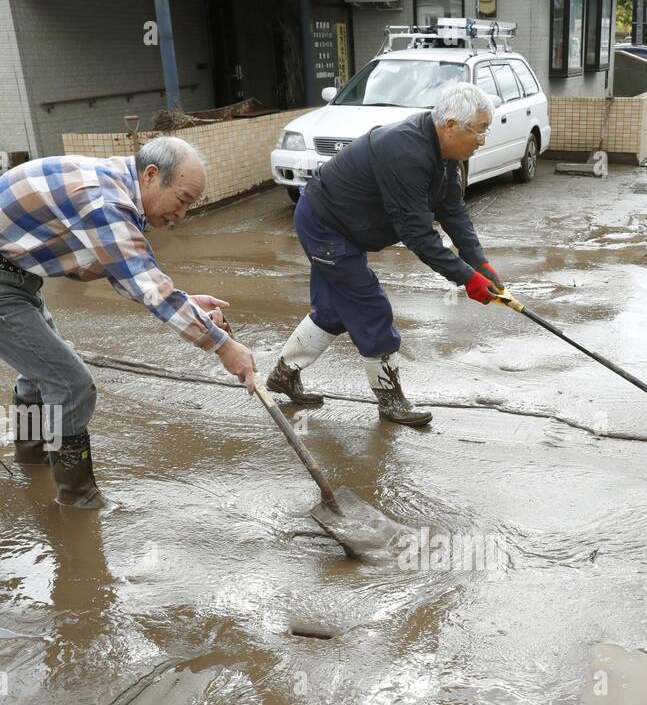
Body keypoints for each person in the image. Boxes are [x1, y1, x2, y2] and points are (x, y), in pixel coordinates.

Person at [0, 136, 256, 507]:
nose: (181, 214)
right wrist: (223, 345)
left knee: (39, 372)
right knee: (70, 384)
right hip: (5, 281)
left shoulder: (114, 187)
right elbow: (146, 284)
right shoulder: (105, 200)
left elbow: (127, 273)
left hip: (17, 276)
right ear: (151, 175)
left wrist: (184, 301)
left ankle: (32, 459)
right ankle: (76, 497)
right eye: (182, 200)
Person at [267, 82, 505, 428]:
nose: (483, 138)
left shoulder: (446, 156)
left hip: (343, 226)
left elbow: (453, 210)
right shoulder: (405, 151)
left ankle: (283, 374)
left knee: (334, 311)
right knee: (370, 307)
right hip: (325, 225)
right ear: (451, 125)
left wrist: (479, 262)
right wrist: (467, 279)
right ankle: (391, 400)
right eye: (479, 130)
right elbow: (417, 233)